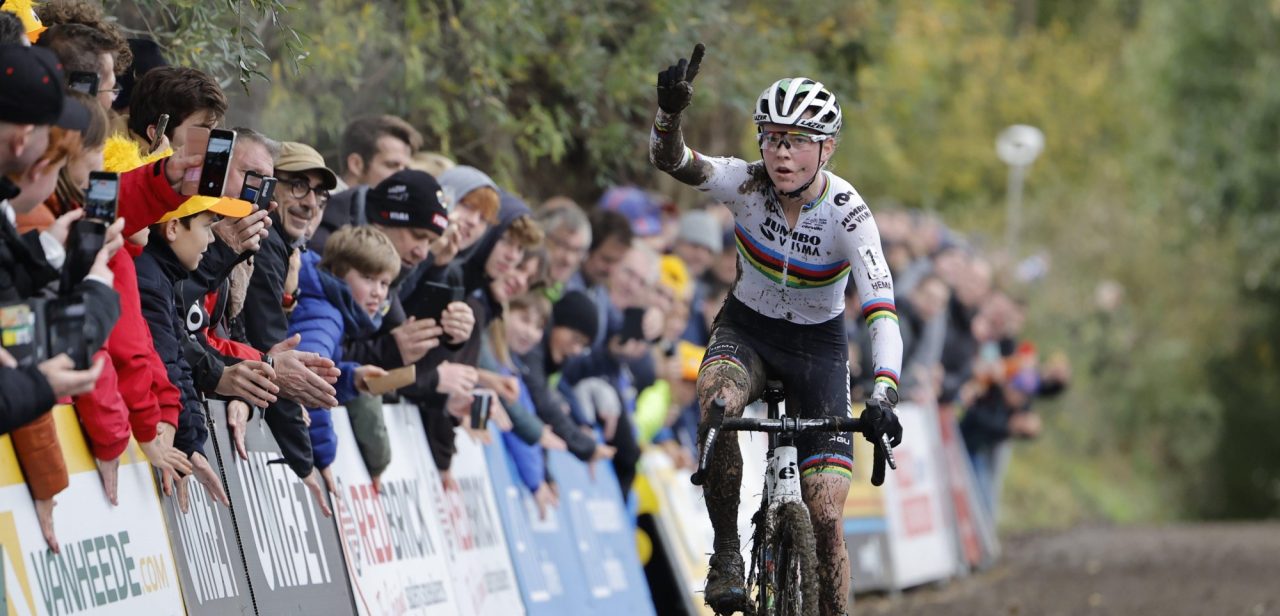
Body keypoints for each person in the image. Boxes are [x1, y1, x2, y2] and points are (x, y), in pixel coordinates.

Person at [649, 45, 904, 615]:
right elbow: (677, 162)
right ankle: (726, 555)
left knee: (827, 517)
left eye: (798, 141)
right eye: (771, 138)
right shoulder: (744, 183)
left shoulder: (848, 213)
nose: (782, 153)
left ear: (826, 148)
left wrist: (885, 391)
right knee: (717, 404)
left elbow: (882, 309)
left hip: (819, 349)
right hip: (748, 332)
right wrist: (668, 117)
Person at [287, 225, 396, 481]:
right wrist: (324, 457)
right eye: (368, 278)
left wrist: (351, 378)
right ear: (338, 272)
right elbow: (307, 378)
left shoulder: (330, 308)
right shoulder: (328, 316)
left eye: (385, 283)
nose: (378, 292)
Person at [310, 115, 422, 251]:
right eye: (392, 165)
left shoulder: (381, 217)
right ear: (356, 164)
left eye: (406, 169)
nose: (403, 177)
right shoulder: (313, 211)